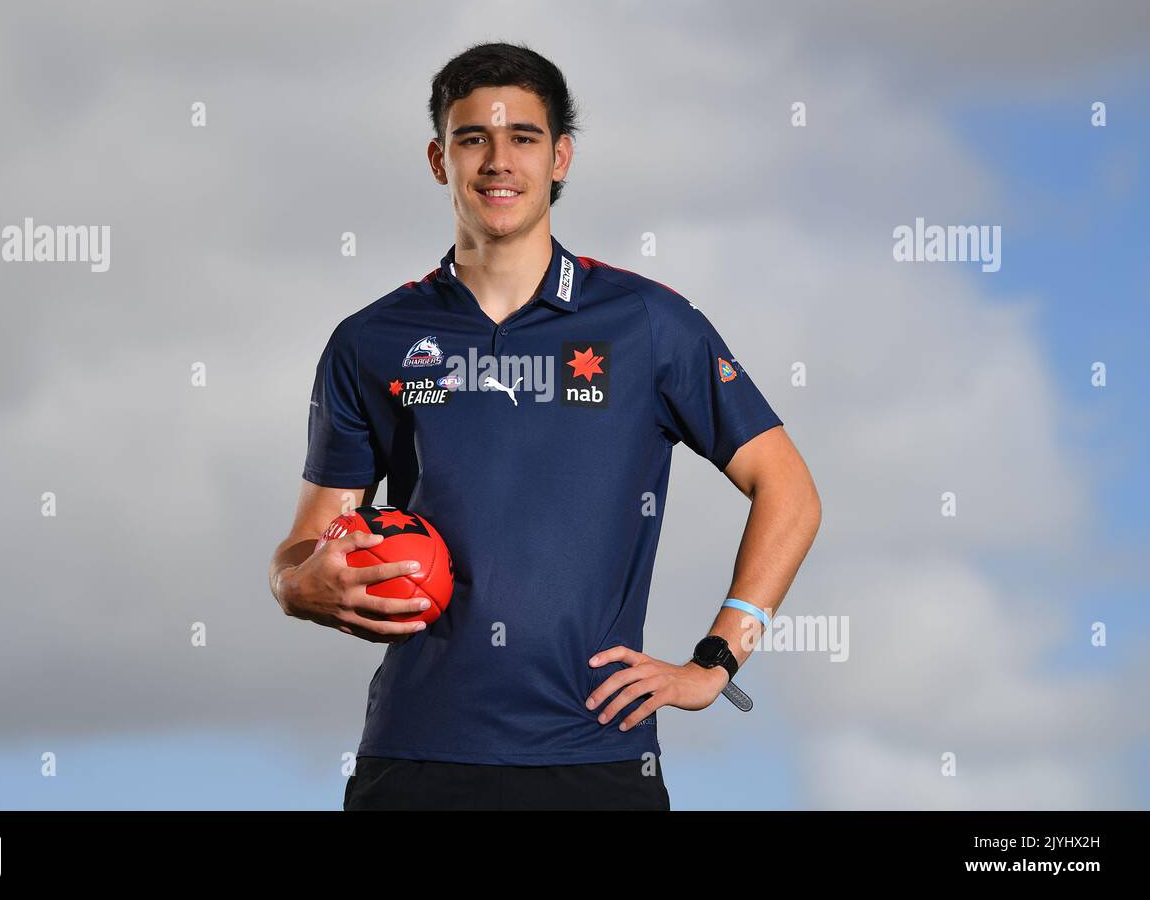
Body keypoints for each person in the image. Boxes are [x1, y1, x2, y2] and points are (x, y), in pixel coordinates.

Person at [269, 42, 822, 810]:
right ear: (439, 159)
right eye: (473, 139)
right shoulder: (372, 338)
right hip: (415, 755)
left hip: (595, 756)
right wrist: (300, 585)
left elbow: (789, 491)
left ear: (560, 157)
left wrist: (717, 659)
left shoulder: (647, 324)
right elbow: (305, 545)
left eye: (523, 138)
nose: (499, 162)